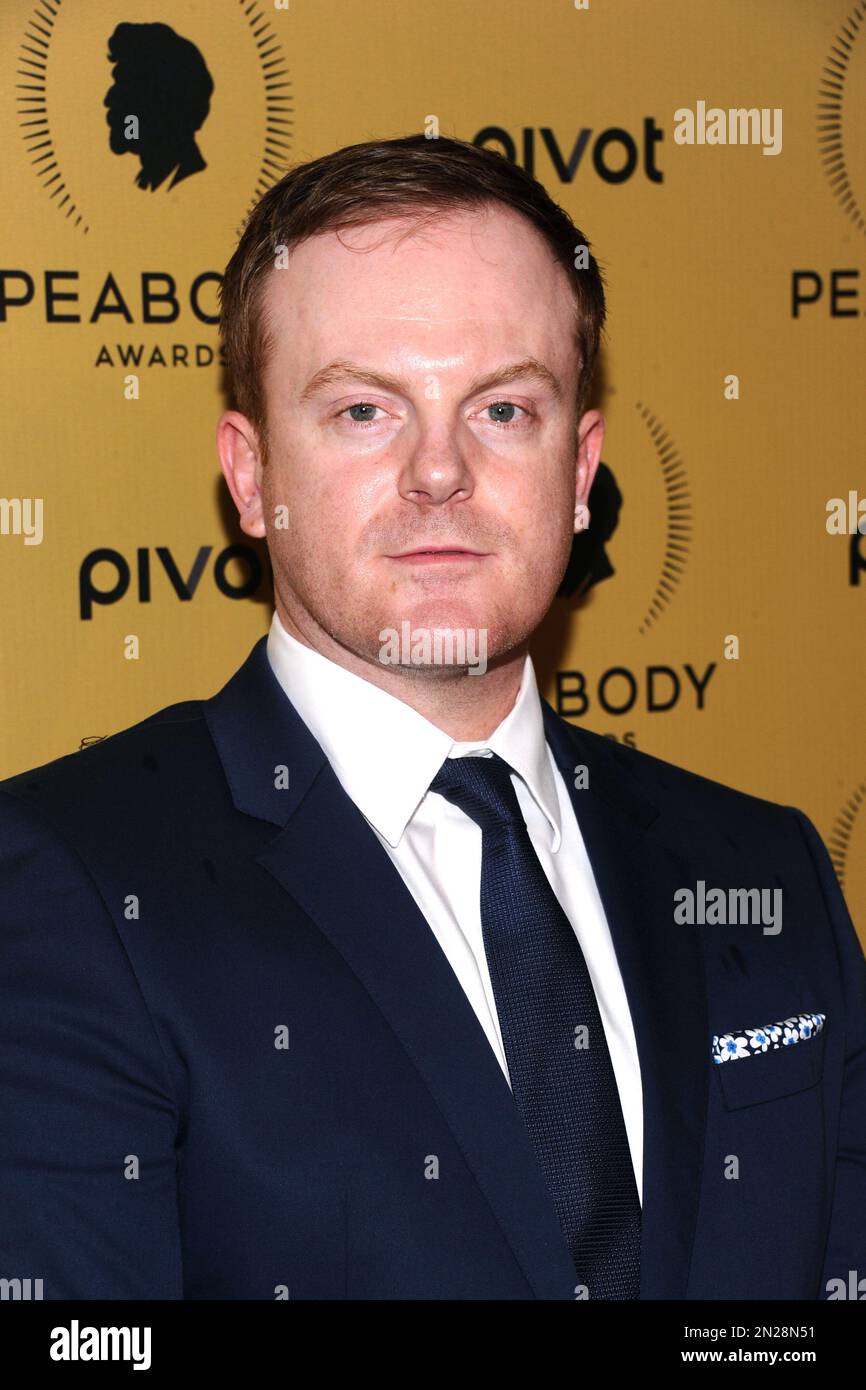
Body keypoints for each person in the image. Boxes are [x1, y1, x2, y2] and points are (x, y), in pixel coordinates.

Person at [1, 134, 863, 1301]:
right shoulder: (70, 888)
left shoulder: (762, 872)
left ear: (578, 468)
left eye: (502, 408)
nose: (440, 472)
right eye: (364, 410)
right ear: (251, 478)